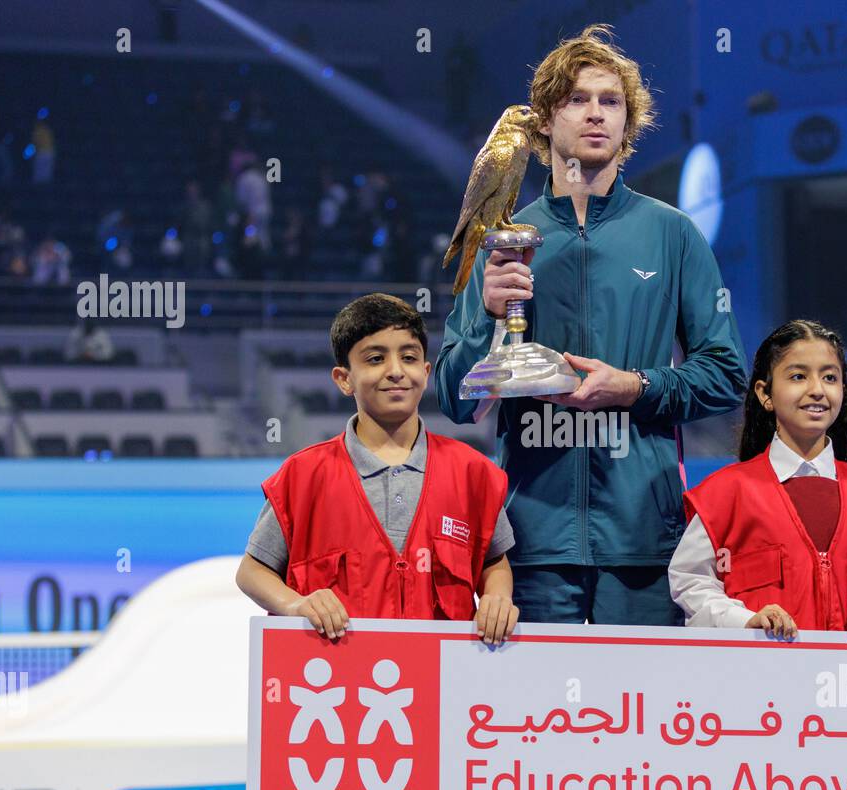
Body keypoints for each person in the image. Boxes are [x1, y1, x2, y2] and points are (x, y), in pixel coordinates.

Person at [435, 24, 746, 626]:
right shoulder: (504, 240)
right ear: (545, 121)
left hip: (643, 539)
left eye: (611, 101)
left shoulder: (673, 234)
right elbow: (454, 399)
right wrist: (490, 321)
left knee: (643, 692)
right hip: (530, 542)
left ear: (629, 124)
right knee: (535, 695)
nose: (596, 113)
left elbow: (726, 374)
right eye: (577, 99)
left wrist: (636, 386)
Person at [236, 294, 519, 646]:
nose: (396, 371)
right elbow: (252, 571)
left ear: (425, 373)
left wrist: (497, 597)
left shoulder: (473, 473)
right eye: (375, 359)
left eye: (409, 357)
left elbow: (494, 562)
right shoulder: (302, 476)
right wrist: (295, 604)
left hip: (442, 674)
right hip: (337, 673)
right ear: (344, 379)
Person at [669, 319, 847, 644]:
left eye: (830, 377)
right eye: (798, 376)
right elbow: (691, 582)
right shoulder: (723, 495)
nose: (817, 389)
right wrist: (745, 621)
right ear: (764, 393)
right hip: (756, 672)